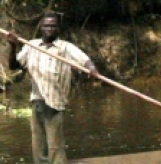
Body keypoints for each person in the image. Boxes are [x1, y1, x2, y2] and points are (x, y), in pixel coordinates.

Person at [8, 11, 99, 164]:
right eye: (46, 26)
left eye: (53, 26)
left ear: (58, 29)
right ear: (41, 28)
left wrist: (93, 69)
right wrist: (12, 46)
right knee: (38, 144)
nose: (49, 29)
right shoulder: (32, 46)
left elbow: (84, 59)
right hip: (37, 100)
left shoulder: (65, 48)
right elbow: (13, 65)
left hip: (54, 102)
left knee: (55, 146)